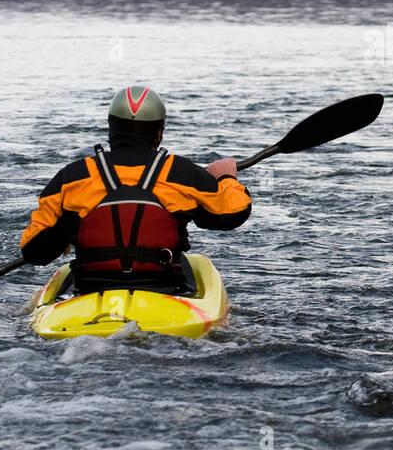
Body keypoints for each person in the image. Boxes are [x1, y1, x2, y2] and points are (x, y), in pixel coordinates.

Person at [19, 86, 251, 294]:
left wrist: (68, 228)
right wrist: (227, 176)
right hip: (165, 288)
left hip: (91, 288)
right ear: (159, 132)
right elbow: (232, 214)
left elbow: (34, 252)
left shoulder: (72, 177)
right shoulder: (182, 173)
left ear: (111, 128)